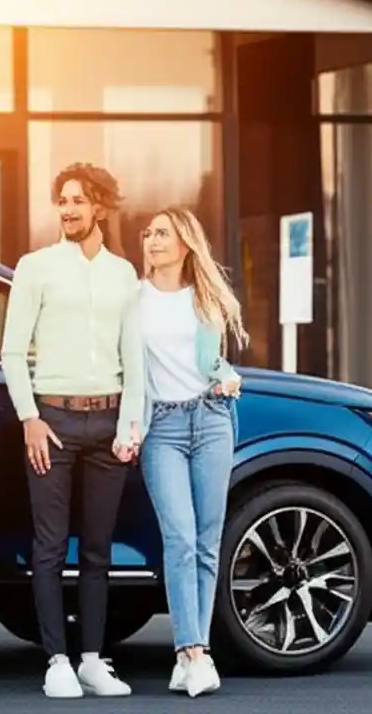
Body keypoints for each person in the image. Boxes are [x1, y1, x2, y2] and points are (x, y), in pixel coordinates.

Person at [0, 162, 143, 699]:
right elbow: (12, 351)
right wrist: (29, 418)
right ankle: (56, 659)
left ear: (101, 207)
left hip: (107, 423)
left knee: (99, 550)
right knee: (49, 547)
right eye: (62, 200)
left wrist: (130, 425)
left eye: (79, 200)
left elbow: (134, 360)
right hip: (52, 422)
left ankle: (91, 660)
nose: (68, 209)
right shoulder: (35, 268)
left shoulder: (123, 274)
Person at [136, 206, 249, 698]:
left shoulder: (206, 300)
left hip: (211, 420)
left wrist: (226, 374)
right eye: (149, 233)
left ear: (185, 243)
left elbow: (209, 359)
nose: (153, 240)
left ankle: (192, 650)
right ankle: (193, 652)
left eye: (163, 233)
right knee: (179, 538)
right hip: (161, 426)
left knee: (207, 541)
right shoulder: (132, 300)